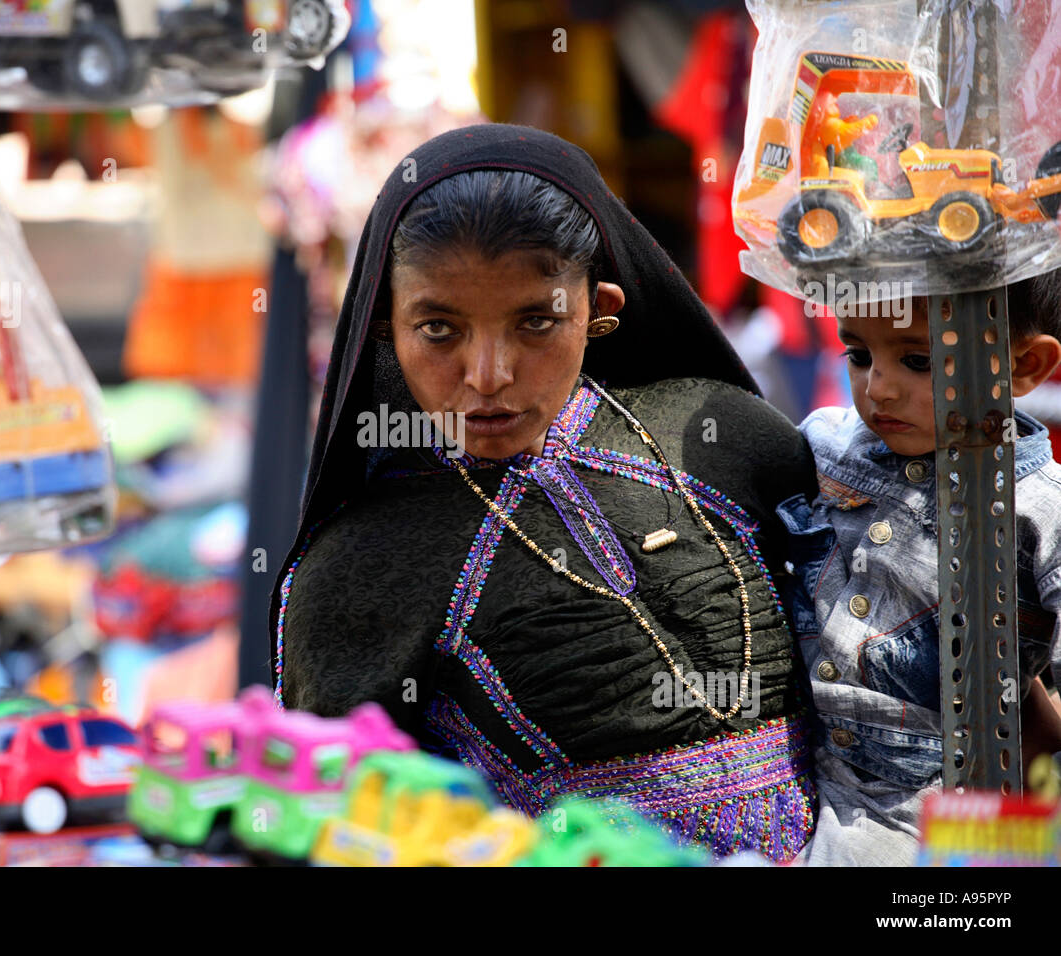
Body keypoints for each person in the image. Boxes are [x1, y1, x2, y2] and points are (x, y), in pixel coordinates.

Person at [269, 124, 820, 861]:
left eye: (536, 321)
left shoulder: (722, 437)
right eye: (439, 329)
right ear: (384, 330)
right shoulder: (357, 568)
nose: (489, 373)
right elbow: (335, 827)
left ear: (599, 308)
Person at [778, 274, 1061, 866]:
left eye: (918, 359)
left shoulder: (1040, 511)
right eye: (858, 354)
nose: (878, 388)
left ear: (1025, 366)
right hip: (786, 760)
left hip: (927, 812)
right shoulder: (822, 446)